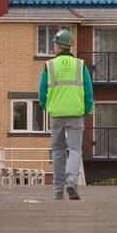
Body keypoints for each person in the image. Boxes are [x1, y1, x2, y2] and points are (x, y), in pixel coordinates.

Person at [38, 29, 92, 200]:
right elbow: (89, 93)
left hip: (56, 114)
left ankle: (58, 190)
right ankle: (71, 179)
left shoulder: (49, 65)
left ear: (57, 46)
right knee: (75, 149)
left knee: (58, 151)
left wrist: (49, 107)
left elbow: (41, 93)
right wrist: (84, 111)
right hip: (76, 113)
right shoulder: (80, 65)